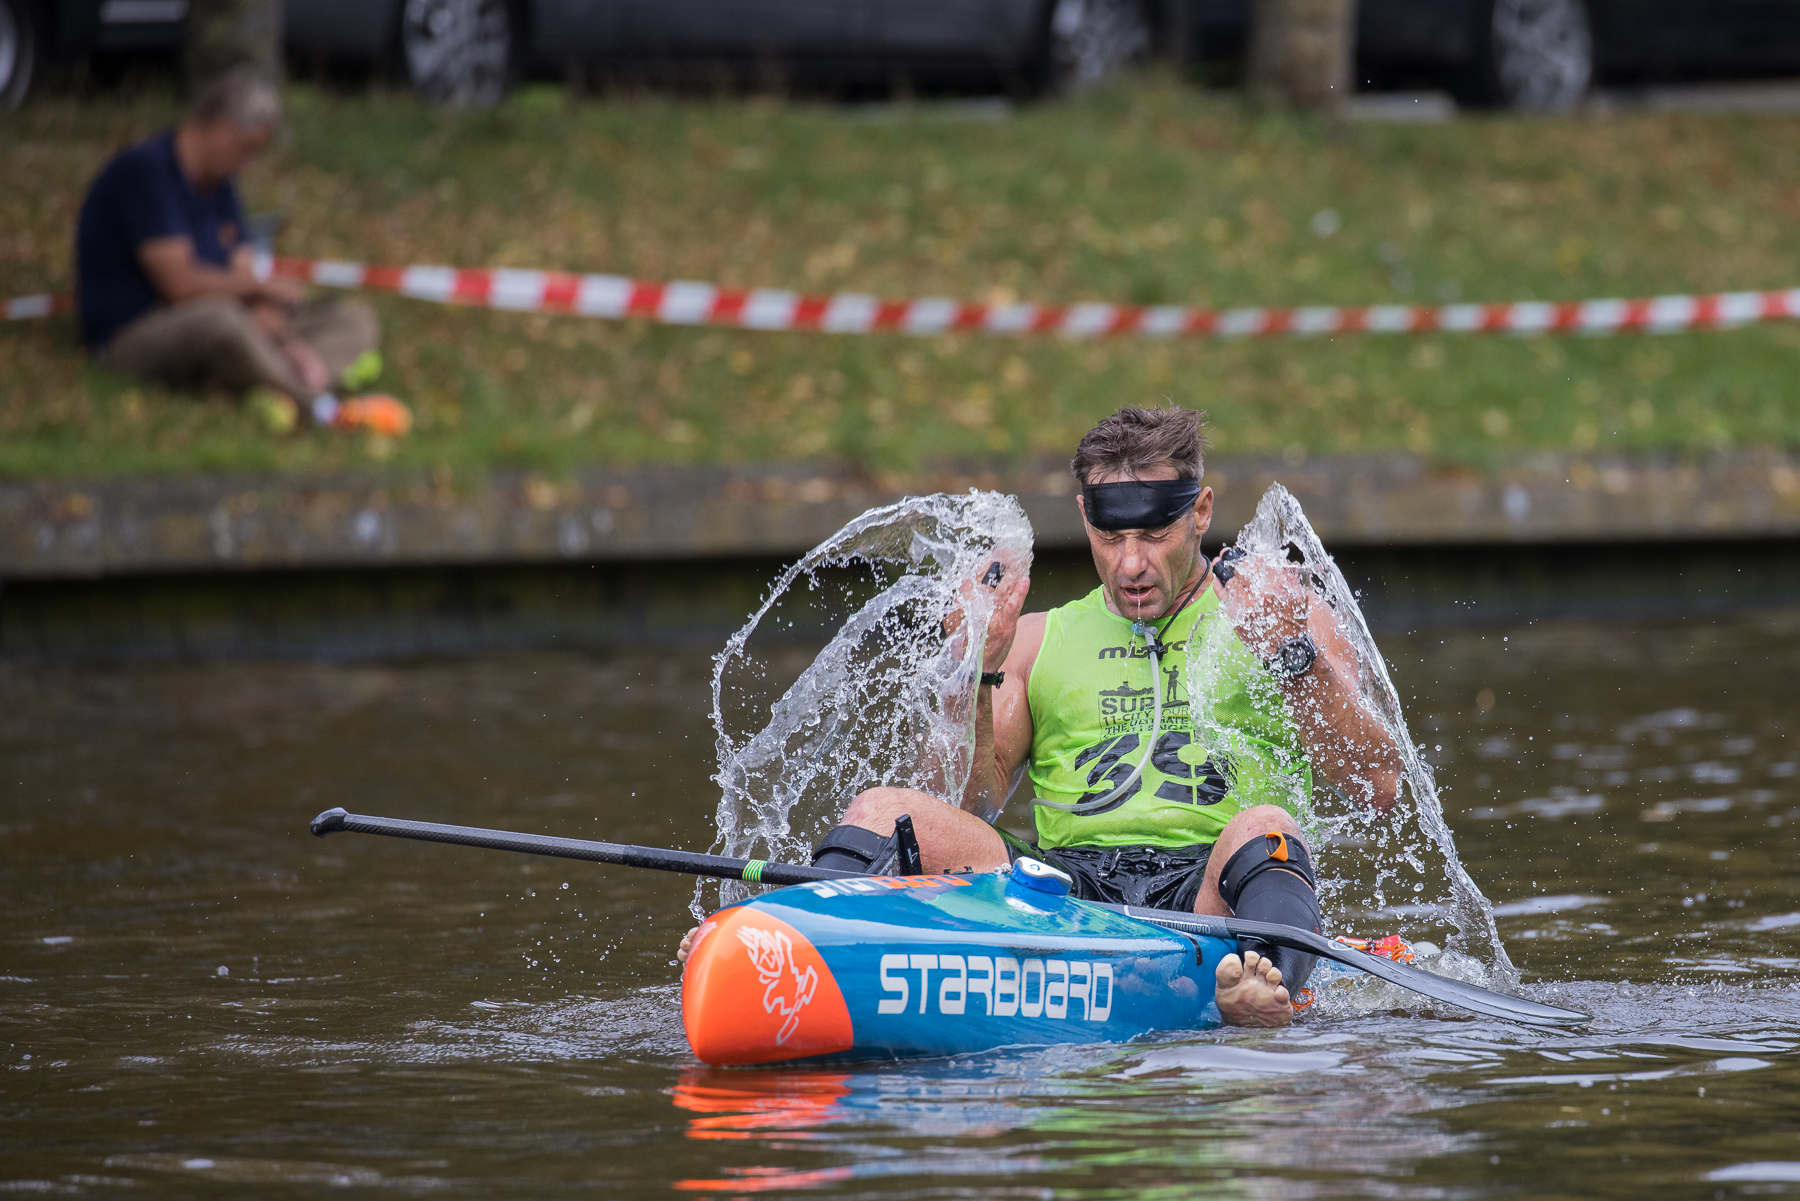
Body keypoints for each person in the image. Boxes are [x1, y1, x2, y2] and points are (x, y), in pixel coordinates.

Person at [680, 405, 1403, 1027]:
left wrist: (1292, 656)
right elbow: (965, 803)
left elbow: (1379, 784)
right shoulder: (1035, 638)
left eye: (1154, 535)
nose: (1130, 565)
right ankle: (782, 937)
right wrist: (975, 672)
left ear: (1202, 512)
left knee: (1264, 825)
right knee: (885, 808)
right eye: (1112, 538)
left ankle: (1266, 982)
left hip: (1218, 892)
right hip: (1067, 896)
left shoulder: (1277, 612)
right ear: (1085, 515)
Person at [75, 67, 400, 431]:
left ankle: (271, 387)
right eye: (247, 149)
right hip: (136, 332)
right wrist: (259, 292)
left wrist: (280, 334)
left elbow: (243, 268)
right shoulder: (144, 173)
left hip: (226, 316)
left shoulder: (221, 185)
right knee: (220, 321)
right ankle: (318, 408)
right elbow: (179, 285)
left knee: (353, 318)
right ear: (221, 127)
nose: (249, 163)